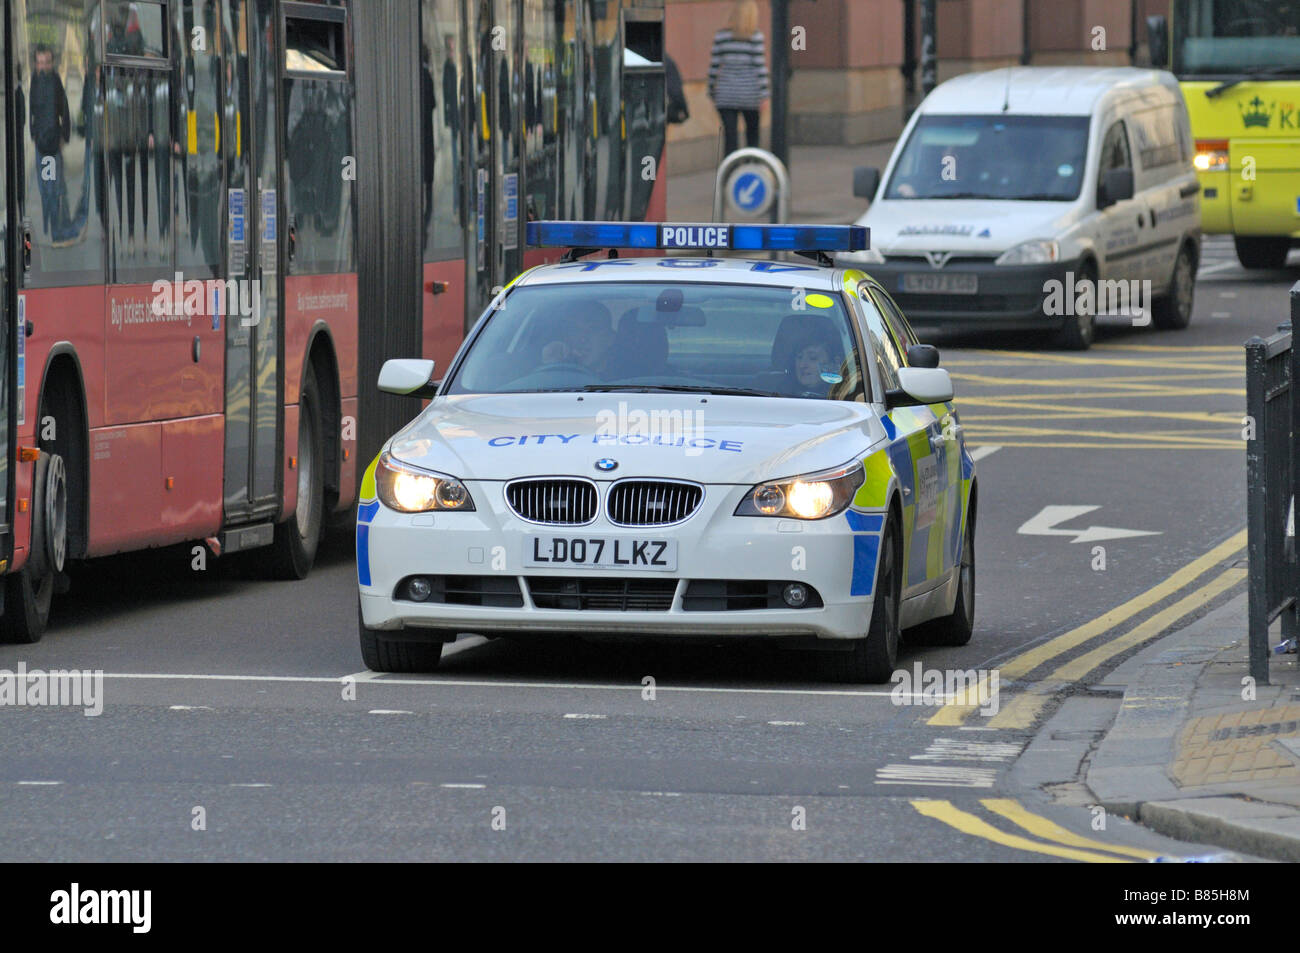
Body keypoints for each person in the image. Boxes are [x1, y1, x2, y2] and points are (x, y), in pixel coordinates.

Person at [707, 0, 768, 155]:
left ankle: (730, 173)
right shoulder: (756, 37)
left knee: (730, 139)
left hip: (726, 94)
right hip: (750, 93)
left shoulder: (721, 36)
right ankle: (750, 169)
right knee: (752, 137)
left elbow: (714, 67)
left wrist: (712, 91)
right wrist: (765, 95)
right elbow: (760, 68)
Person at [30, 44, 72, 241]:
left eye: (46, 62)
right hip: (41, 144)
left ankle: (55, 231)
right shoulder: (34, 81)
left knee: (53, 188)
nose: (43, 66)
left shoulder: (55, 81)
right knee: (44, 188)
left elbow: (65, 110)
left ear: (51, 63)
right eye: (40, 62)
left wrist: (64, 136)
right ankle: (49, 224)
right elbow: (31, 110)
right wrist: (33, 134)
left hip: (53, 146)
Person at [541, 307, 616, 377]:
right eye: (575, 330)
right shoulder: (558, 377)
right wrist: (551, 366)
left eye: (593, 329)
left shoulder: (623, 383)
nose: (582, 339)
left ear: (610, 338)